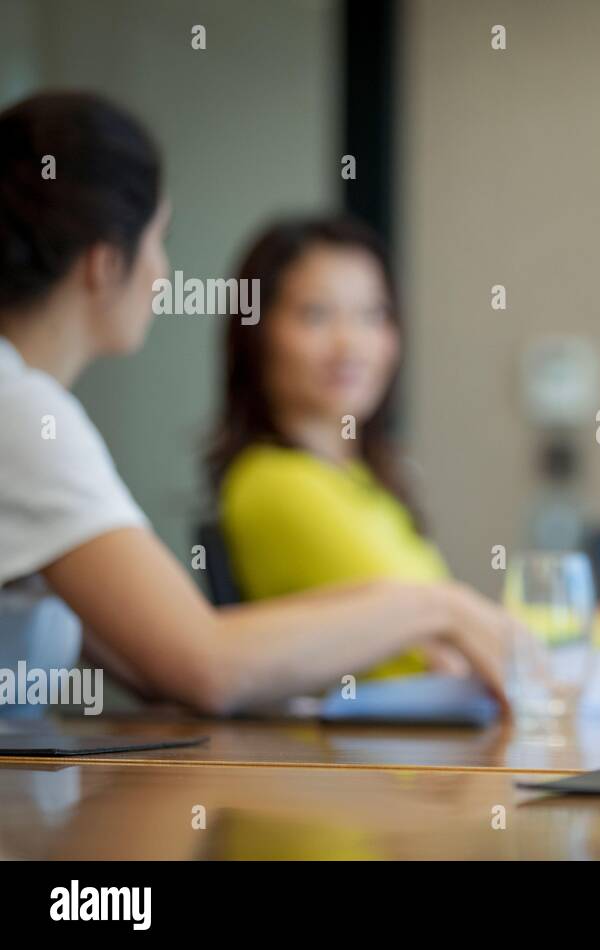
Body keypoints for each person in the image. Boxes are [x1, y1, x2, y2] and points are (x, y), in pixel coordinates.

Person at [0, 91, 513, 714]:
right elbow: (208, 665)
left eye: (371, 314)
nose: (163, 275)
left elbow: (155, 660)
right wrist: (434, 606)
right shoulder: (23, 416)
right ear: (105, 263)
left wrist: (421, 609)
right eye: (159, 240)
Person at [209, 216, 460, 680]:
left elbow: (452, 644)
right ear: (257, 332)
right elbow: (433, 656)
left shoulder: (365, 479)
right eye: (317, 315)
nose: (351, 344)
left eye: (372, 315)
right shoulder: (275, 484)